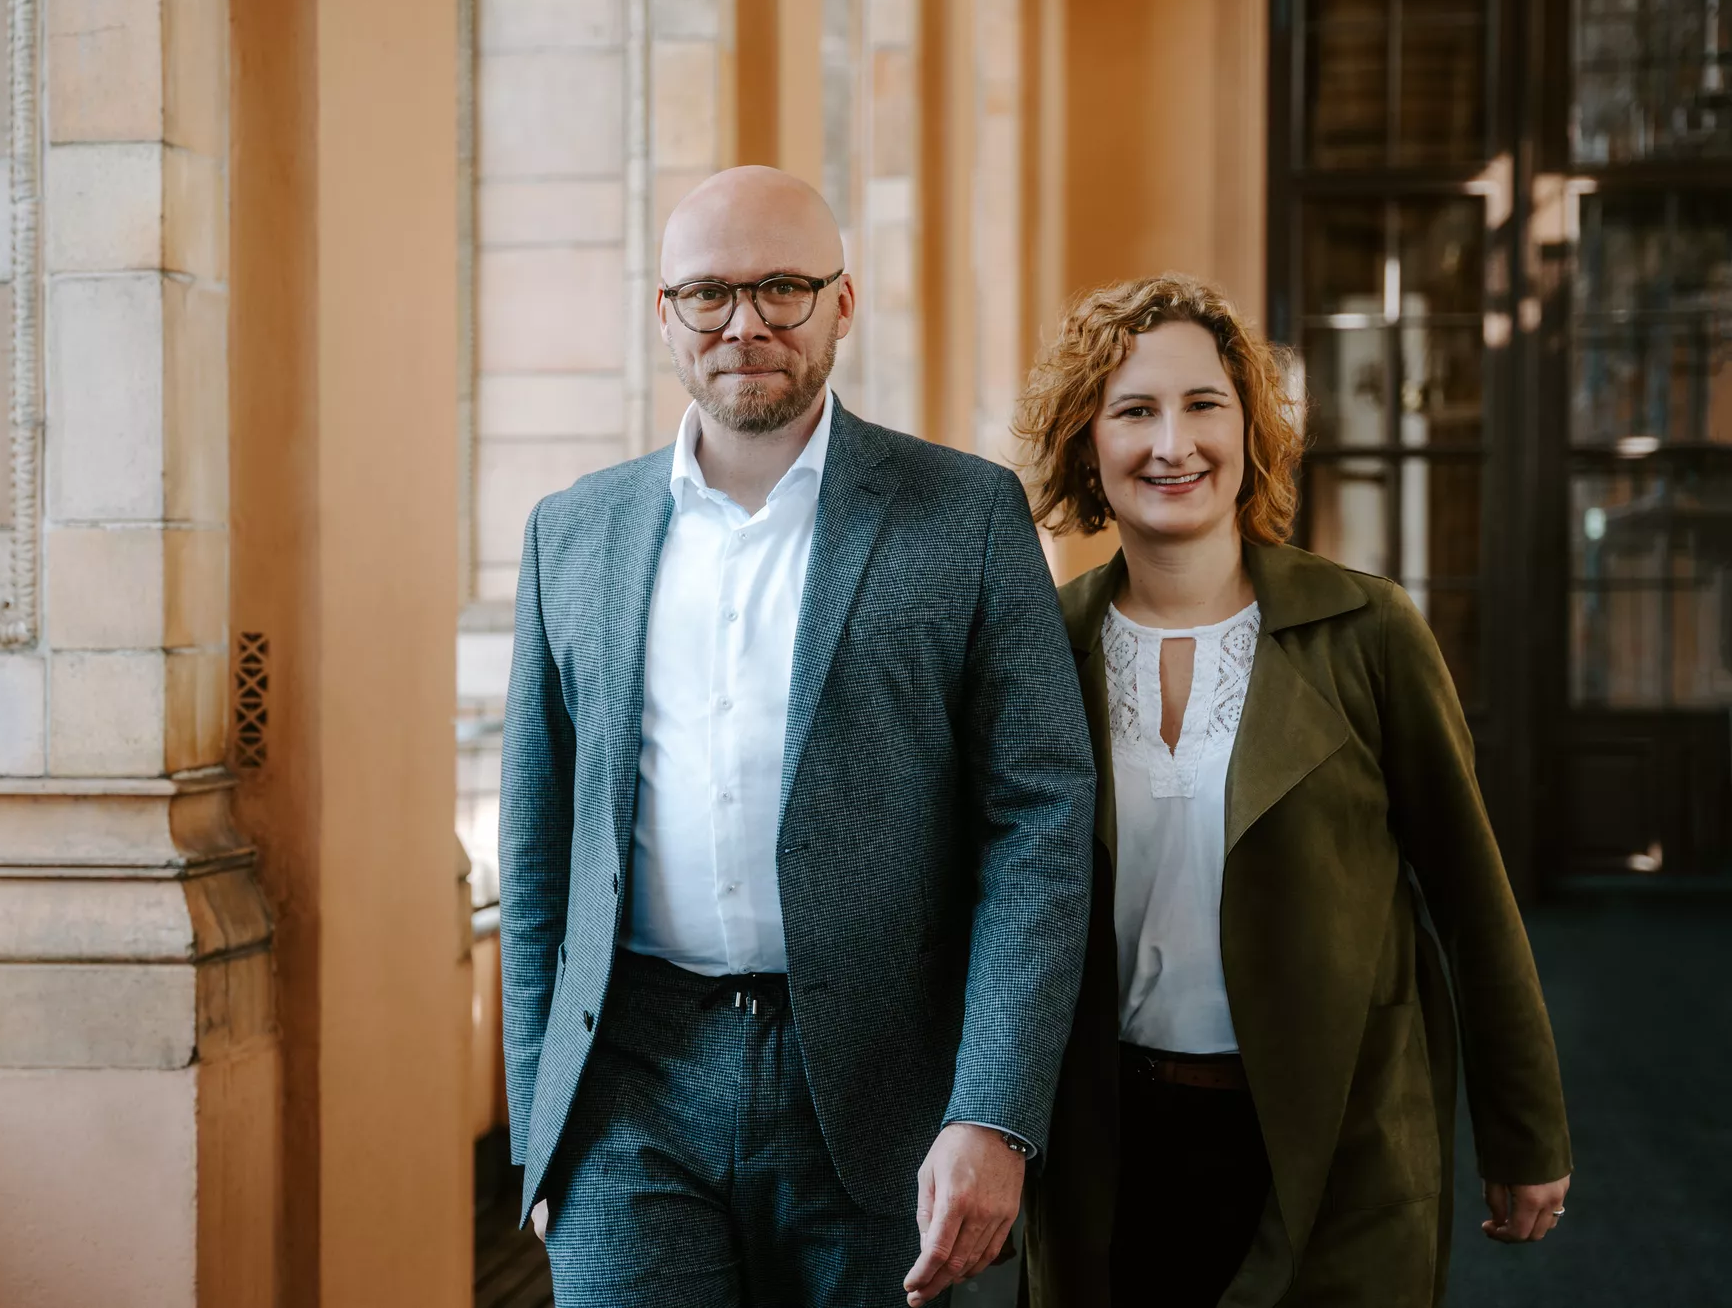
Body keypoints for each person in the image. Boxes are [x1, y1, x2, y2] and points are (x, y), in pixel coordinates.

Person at [497, 166, 1095, 1308]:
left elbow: (1040, 823)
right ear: (663, 313)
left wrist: (992, 1111)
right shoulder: (569, 534)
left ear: (842, 302)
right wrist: (540, 1123)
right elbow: (538, 858)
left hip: (885, 1090)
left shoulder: (963, 515)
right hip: (628, 1091)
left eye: (783, 287)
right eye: (709, 295)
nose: (747, 325)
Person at [1013, 274, 1573, 1306]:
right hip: (1106, 1141)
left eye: (1201, 405)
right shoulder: (1045, 647)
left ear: (1249, 428)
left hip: (1335, 1139)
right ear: (1084, 444)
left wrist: (1523, 1128)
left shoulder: (1368, 632)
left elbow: (1473, 904)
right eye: (1131, 411)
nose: (1170, 444)